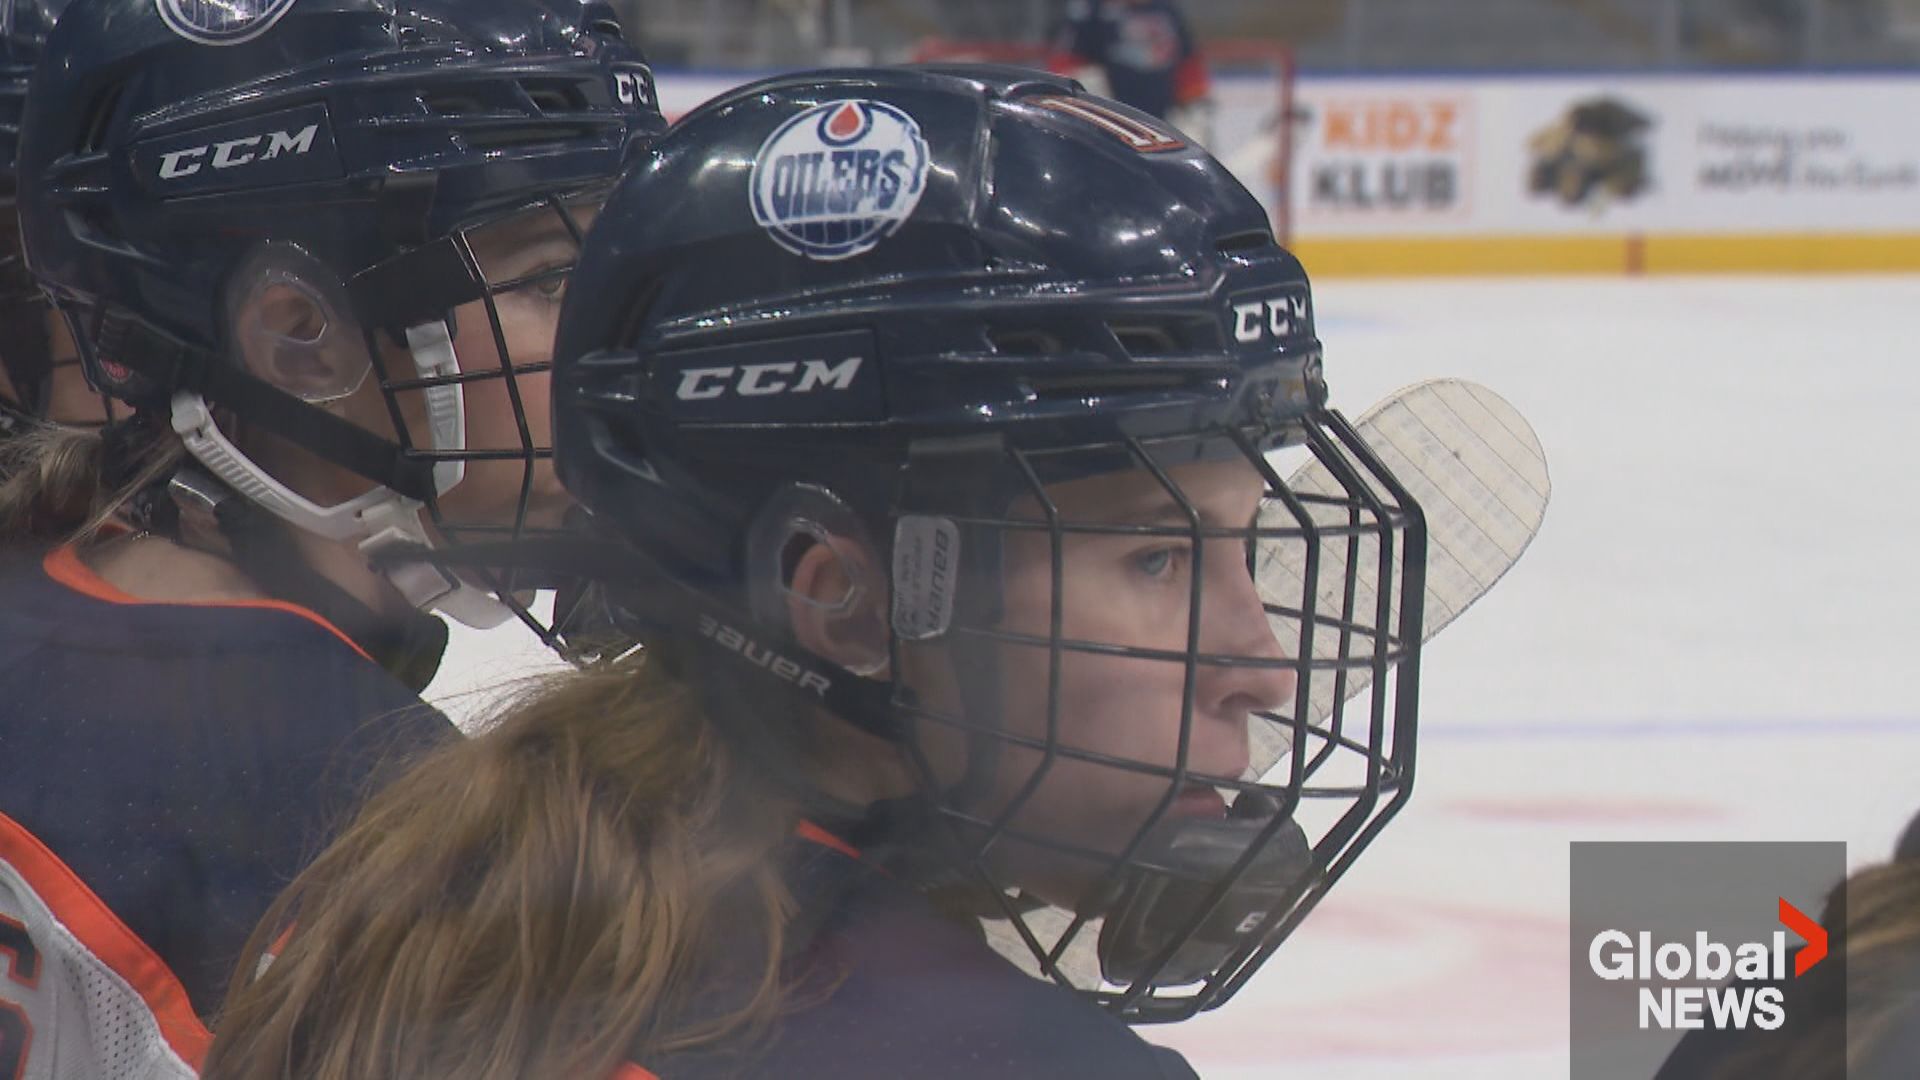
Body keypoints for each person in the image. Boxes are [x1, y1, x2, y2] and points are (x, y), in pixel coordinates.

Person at [201, 67, 1428, 1080]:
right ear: (838, 595)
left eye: (1242, 545)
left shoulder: (384, 908)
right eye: (1156, 556)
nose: (1261, 667)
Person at [0, 0, 661, 1076]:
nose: (619, 348)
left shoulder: (38, 600)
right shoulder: (375, 826)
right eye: (552, 279)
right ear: (303, 338)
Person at [1049, 0, 1215, 145]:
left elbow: (1187, 63)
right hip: (1108, 127)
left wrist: (1195, 105)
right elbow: (1065, 65)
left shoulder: (1165, 8)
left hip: (1161, 125)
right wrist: (1087, 98)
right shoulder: (1091, 11)